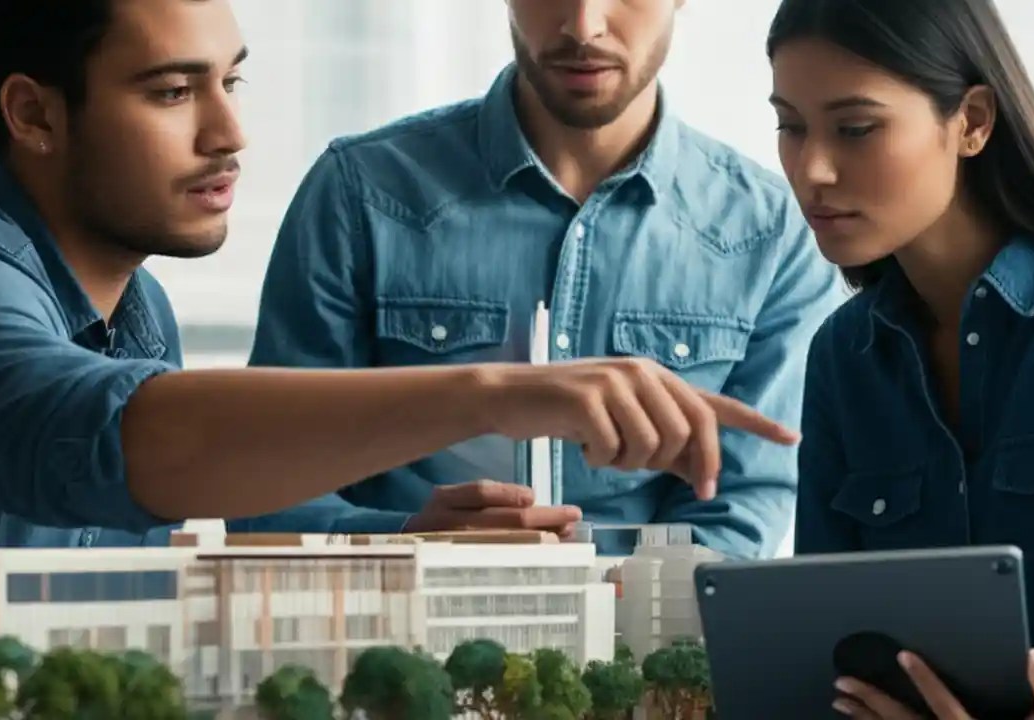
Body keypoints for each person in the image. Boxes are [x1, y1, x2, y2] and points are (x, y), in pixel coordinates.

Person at [0, 0, 802, 714]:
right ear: (33, 113)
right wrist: (502, 389)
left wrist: (400, 537)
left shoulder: (139, 314)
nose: (230, 134)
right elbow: (116, 437)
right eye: (173, 93)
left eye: (230, 82)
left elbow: (191, 541)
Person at [236, 0, 844, 557]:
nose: (584, 26)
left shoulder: (768, 233)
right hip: (394, 645)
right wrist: (408, 543)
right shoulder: (362, 192)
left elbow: (739, 516)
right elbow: (265, 490)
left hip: (637, 655)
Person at [770, 0, 1034, 716]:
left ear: (973, 122)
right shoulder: (842, 357)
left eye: (856, 129)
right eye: (791, 126)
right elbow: (822, 658)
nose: (812, 171)